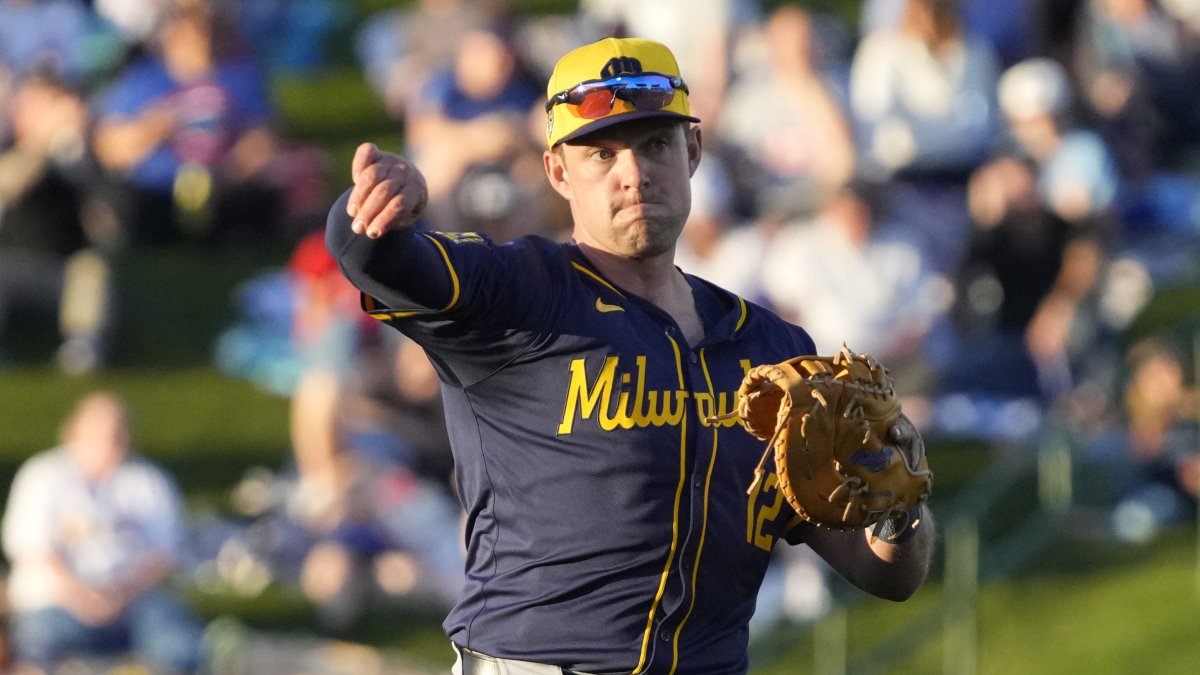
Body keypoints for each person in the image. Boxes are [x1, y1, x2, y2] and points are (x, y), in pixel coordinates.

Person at [327, 37, 935, 674]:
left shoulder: (772, 352)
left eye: (654, 145)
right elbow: (372, 256)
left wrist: (899, 504)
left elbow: (889, 576)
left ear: (691, 152)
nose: (633, 173)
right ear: (559, 172)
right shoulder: (518, 294)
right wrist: (379, 203)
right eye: (601, 153)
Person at [1, 392, 205, 673]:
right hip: (56, 603)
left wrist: (120, 593)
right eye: (100, 431)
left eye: (119, 430)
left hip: (134, 602)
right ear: (73, 430)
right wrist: (82, 595)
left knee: (179, 646)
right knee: (35, 649)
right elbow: (32, 548)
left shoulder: (148, 480)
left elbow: (166, 552)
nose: (110, 440)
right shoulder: (42, 475)